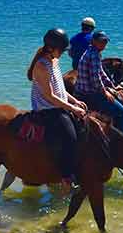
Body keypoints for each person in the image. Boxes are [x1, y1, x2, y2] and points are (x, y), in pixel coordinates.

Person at [28, 28, 88, 190]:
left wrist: (75, 101)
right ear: (51, 48)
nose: (62, 53)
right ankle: (65, 177)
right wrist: (72, 109)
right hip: (47, 109)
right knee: (71, 137)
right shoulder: (41, 66)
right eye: (61, 50)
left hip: (58, 105)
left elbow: (60, 89)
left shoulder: (54, 61)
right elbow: (50, 96)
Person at [74, 31, 123, 135]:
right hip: (90, 95)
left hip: (80, 92)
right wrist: (105, 92)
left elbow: (101, 73)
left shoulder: (90, 51)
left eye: (105, 42)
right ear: (93, 41)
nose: (104, 44)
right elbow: (95, 80)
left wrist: (112, 86)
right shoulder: (95, 55)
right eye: (101, 41)